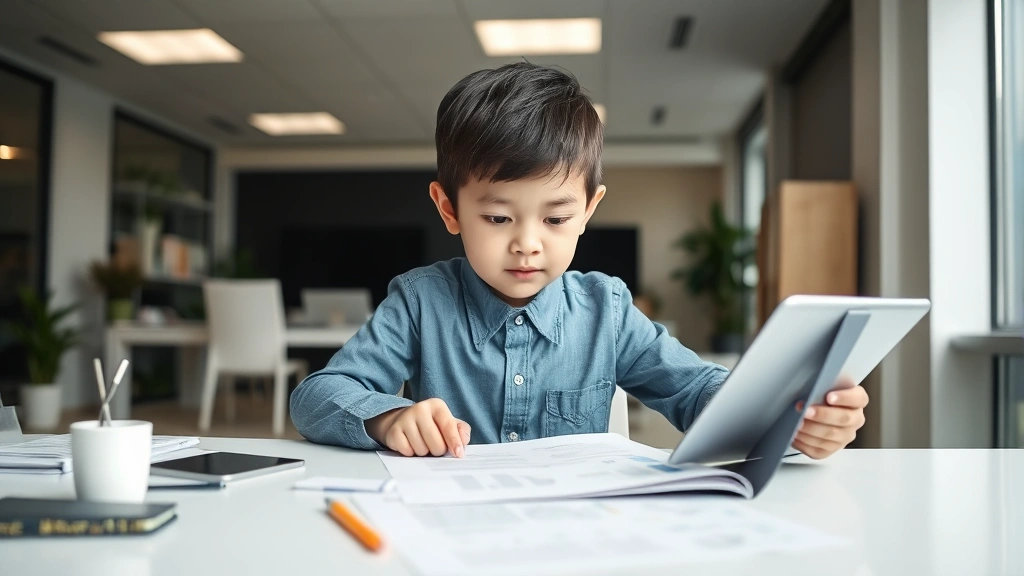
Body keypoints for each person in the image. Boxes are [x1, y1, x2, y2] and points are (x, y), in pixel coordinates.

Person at [289, 63, 868, 459]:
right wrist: (386, 418)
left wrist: (790, 415)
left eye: (556, 218)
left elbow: (696, 391)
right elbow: (318, 395)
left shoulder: (607, 309)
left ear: (589, 209)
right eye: (497, 218)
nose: (527, 244)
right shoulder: (420, 301)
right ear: (449, 209)